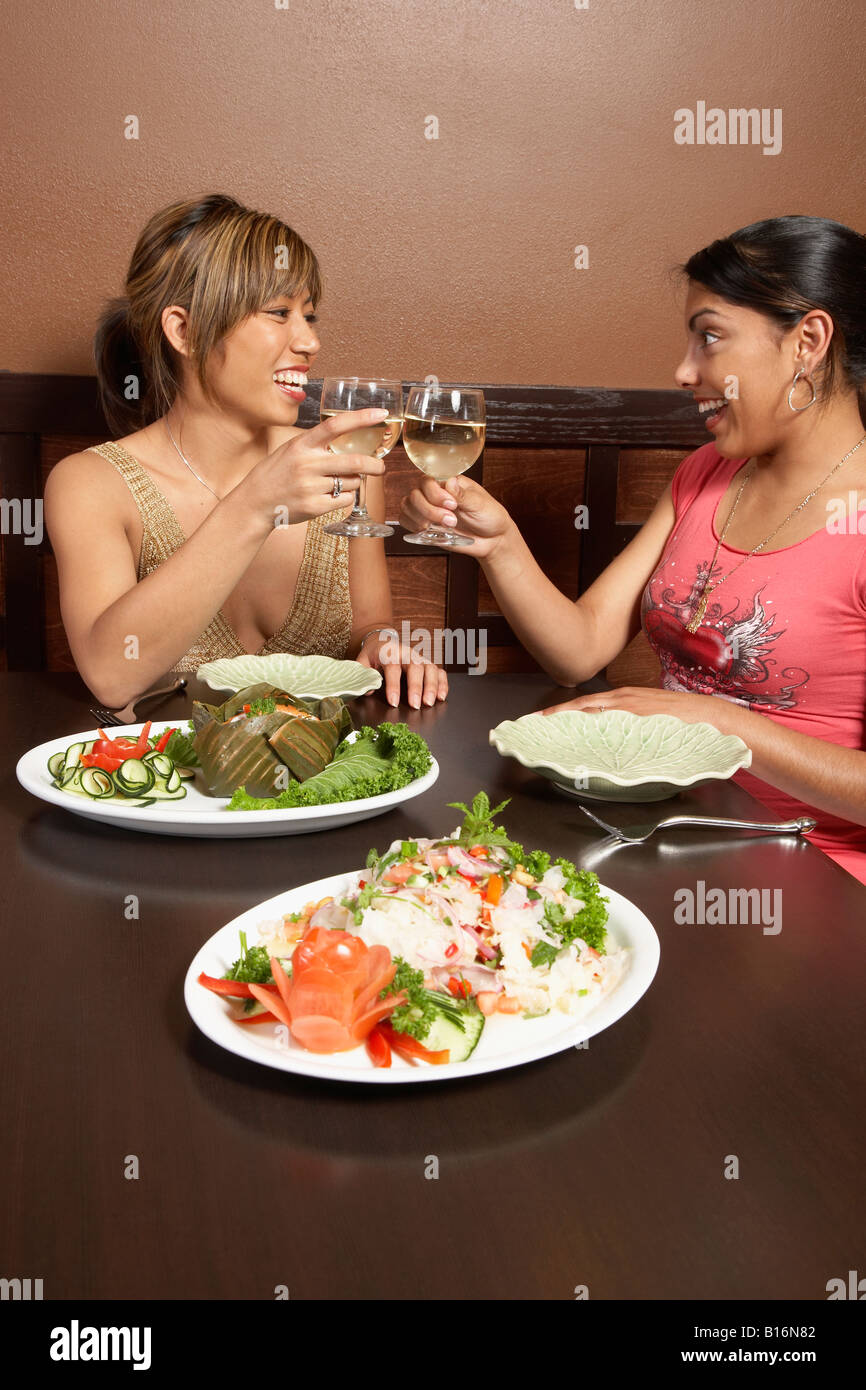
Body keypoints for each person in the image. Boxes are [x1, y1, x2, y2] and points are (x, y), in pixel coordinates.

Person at [401, 216, 866, 885]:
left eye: (710, 337)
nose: (684, 371)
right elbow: (581, 647)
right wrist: (500, 545)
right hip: (665, 833)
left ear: (808, 342)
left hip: (808, 879)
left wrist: (715, 723)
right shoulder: (703, 474)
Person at [44, 193, 447, 711]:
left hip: (324, 783)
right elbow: (110, 677)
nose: (308, 342)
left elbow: (369, 627)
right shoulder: (90, 483)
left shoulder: (344, 465)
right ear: (183, 331)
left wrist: (387, 649)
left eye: (310, 316)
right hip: (170, 785)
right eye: (279, 313)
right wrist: (254, 505)